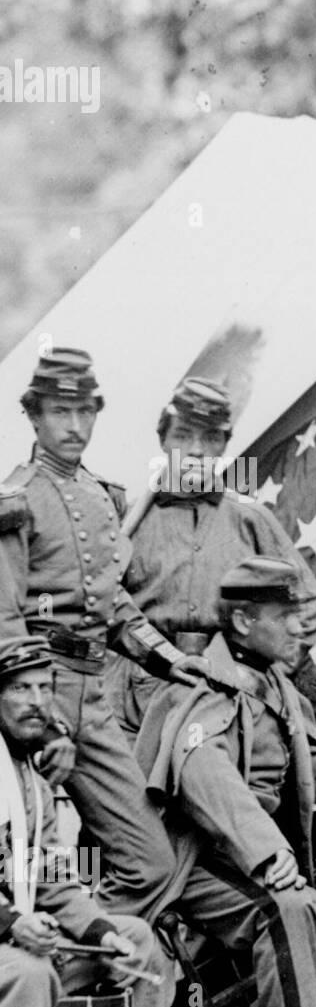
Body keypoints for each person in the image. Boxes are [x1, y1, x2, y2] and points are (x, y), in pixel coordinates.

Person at [103, 557, 316, 1007]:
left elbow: (278, 764)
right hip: (193, 860)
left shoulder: (272, 680)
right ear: (244, 621)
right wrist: (269, 855)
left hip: (237, 859)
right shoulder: (208, 683)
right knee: (288, 912)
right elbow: (203, 773)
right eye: (286, 614)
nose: (301, 626)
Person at [0, 348, 212, 905]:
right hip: (31, 704)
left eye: (85, 412)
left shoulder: (102, 497)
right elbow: (4, 624)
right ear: (34, 417)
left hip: (93, 703)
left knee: (149, 862)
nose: (74, 426)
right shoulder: (16, 499)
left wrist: (167, 659)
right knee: (26, 871)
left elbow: (113, 605)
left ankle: (86, 968)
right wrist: (42, 724)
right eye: (58, 412)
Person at [0, 635, 169, 1007]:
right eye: (19, 688)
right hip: (10, 948)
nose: (35, 701)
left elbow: (53, 884)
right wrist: (11, 923)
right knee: (27, 972)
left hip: (22, 937)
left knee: (137, 939)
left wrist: (99, 933)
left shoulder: (32, 779)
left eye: (45, 688)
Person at [107, 376, 316, 733]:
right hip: (137, 698)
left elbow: (308, 604)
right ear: (163, 440)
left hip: (227, 693)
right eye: (183, 435)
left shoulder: (252, 519)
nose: (196, 450)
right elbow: (100, 603)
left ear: (224, 444)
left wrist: (267, 671)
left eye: (210, 437)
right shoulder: (126, 521)